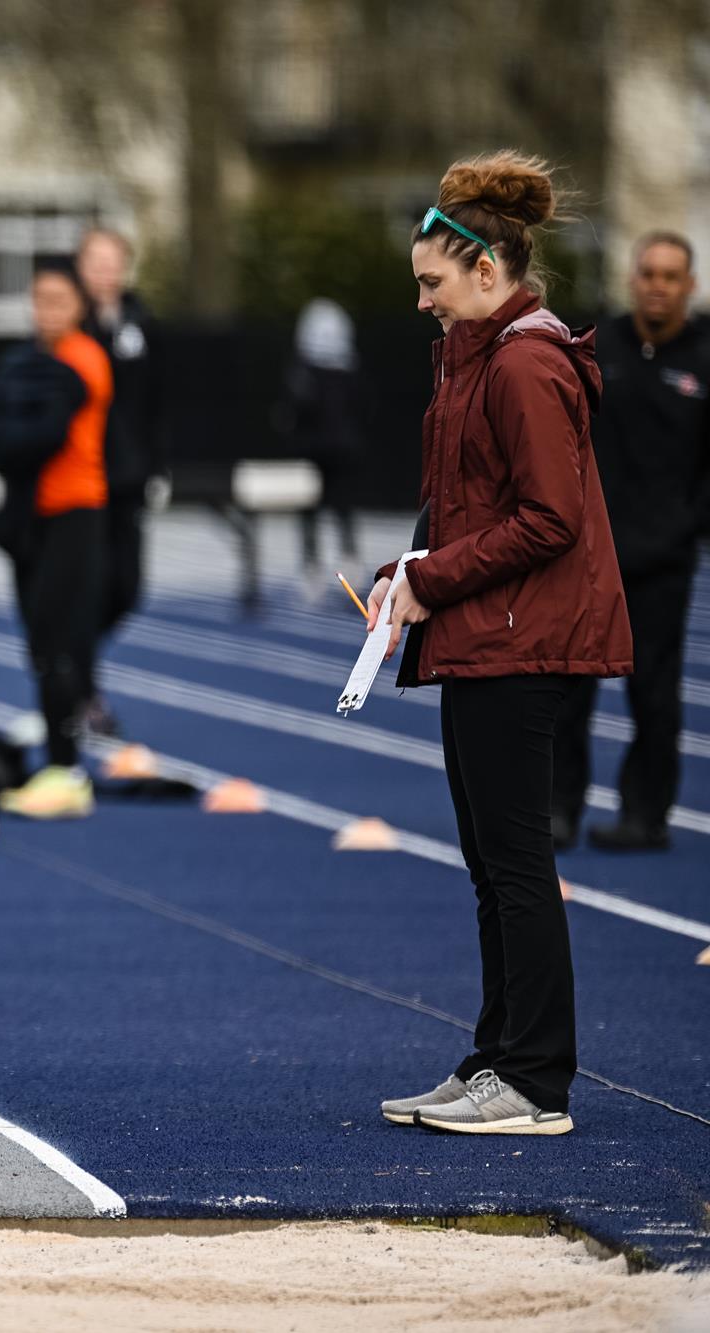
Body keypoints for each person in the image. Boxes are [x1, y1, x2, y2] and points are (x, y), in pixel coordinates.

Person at [370, 152, 630, 1137]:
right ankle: (493, 1056)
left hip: (521, 643)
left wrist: (429, 580)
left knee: (514, 863)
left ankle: (534, 1080)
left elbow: (548, 519)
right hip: (483, 635)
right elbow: (463, 504)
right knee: (490, 862)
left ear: (486, 269)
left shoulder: (522, 362)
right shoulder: (480, 358)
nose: (423, 301)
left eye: (431, 282)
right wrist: (406, 573)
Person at [551, 231, 709, 851]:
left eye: (671, 276)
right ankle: (559, 808)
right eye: (648, 273)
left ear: (689, 286)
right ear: (633, 278)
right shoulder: (596, 346)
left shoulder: (704, 357)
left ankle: (646, 815)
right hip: (586, 554)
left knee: (654, 694)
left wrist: (686, 521)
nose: (658, 286)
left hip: (663, 559)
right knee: (569, 690)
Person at [0, 265, 111, 819]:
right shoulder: (21, 363)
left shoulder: (81, 361)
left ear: (78, 305)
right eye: (38, 299)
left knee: (58, 642)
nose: (45, 310)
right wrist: (3, 436)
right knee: (39, 641)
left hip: (75, 511)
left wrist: (4, 437)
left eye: (57, 299)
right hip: (30, 517)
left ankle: (66, 768)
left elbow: (41, 436)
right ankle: (58, 761)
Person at [76, 228, 162, 735]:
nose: (106, 272)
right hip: (83, 481)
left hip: (128, 479)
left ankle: (74, 661)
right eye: (96, 262)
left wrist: (157, 464)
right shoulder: (70, 322)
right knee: (86, 589)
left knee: (127, 589)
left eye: (114, 263)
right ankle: (81, 690)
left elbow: (157, 399)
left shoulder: (141, 320)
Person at [282, 296, 364, 587]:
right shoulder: (348, 372)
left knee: (316, 509)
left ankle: (313, 565)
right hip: (336, 449)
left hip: (316, 449)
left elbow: (295, 412)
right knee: (335, 507)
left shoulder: (304, 373)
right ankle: (339, 560)